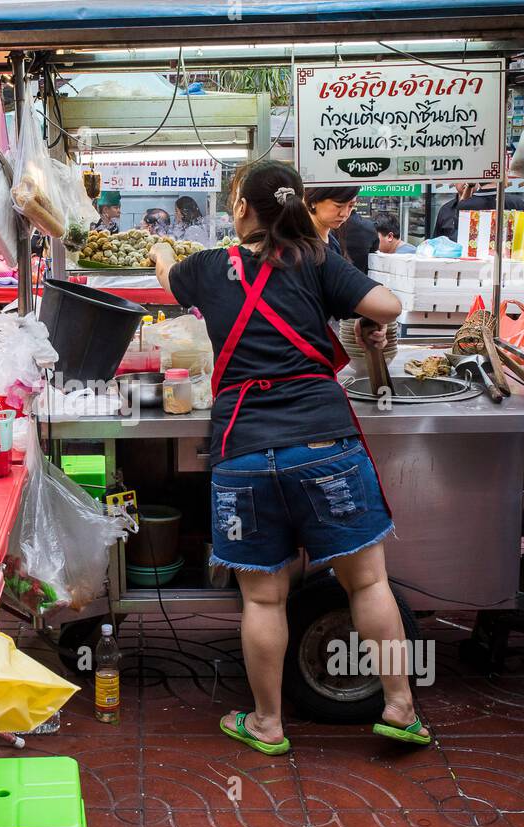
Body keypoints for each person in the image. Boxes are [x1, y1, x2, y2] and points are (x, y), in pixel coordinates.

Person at [149, 162, 429, 755]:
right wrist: (358, 314)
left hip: (244, 446)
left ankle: (268, 724)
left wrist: (158, 249)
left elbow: (167, 274)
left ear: (243, 209)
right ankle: (401, 709)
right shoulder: (316, 257)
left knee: (263, 597)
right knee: (368, 581)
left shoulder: (205, 268)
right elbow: (389, 306)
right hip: (324, 440)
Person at [431, 182, 524, 242]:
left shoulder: (466, 206)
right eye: (463, 177)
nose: (466, 182)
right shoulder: (446, 209)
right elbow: (437, 241)